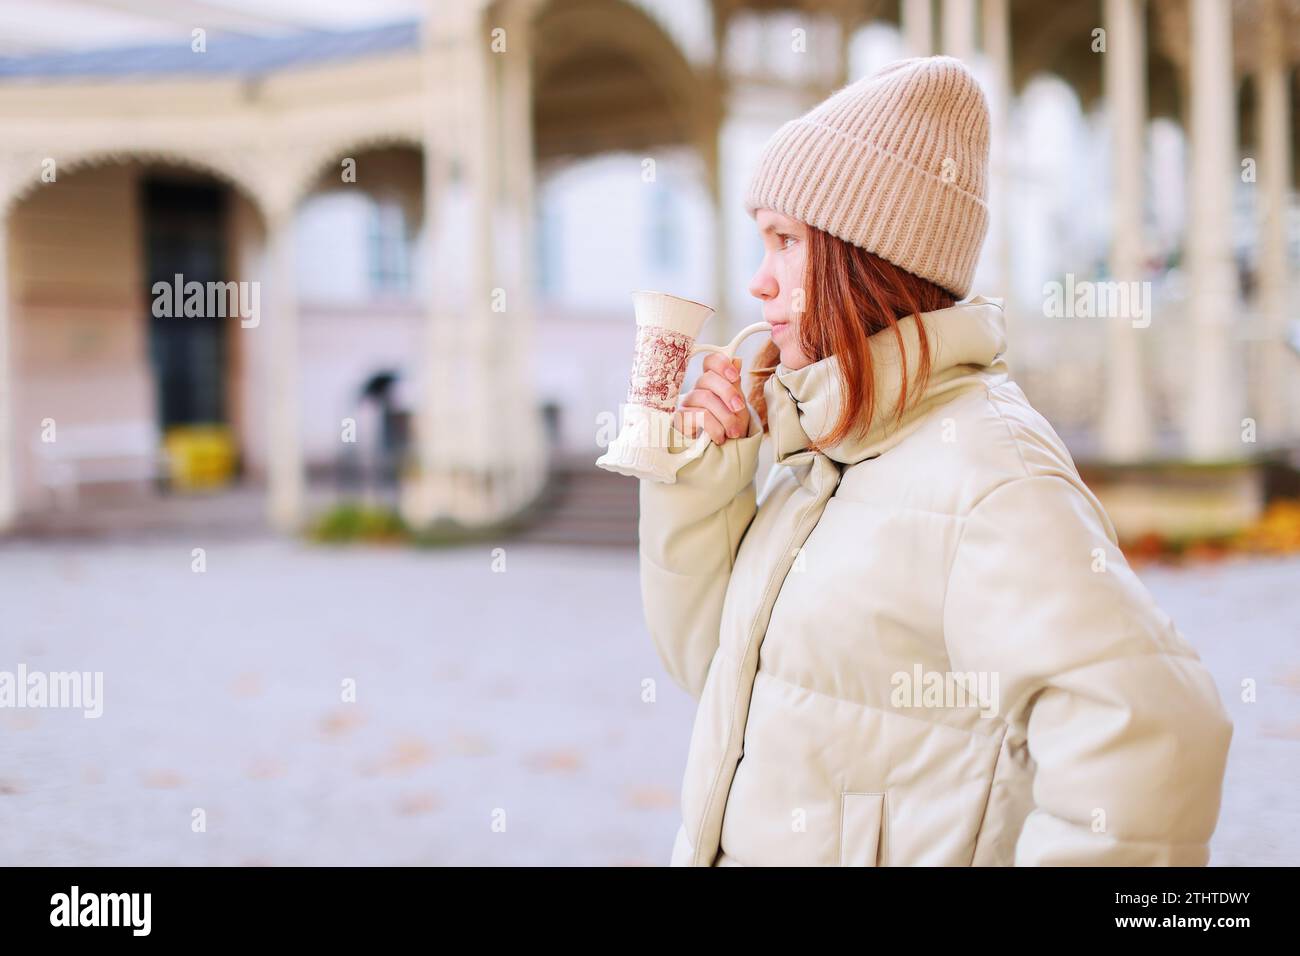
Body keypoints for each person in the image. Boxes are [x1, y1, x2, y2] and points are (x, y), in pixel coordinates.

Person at [637, 55, 1233, 867]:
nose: (759, 282)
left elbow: (1155, 728)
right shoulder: (823, 451)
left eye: (784, 242)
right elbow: (711, 672)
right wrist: (706, 485)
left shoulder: (990, 474)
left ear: (864, 260)